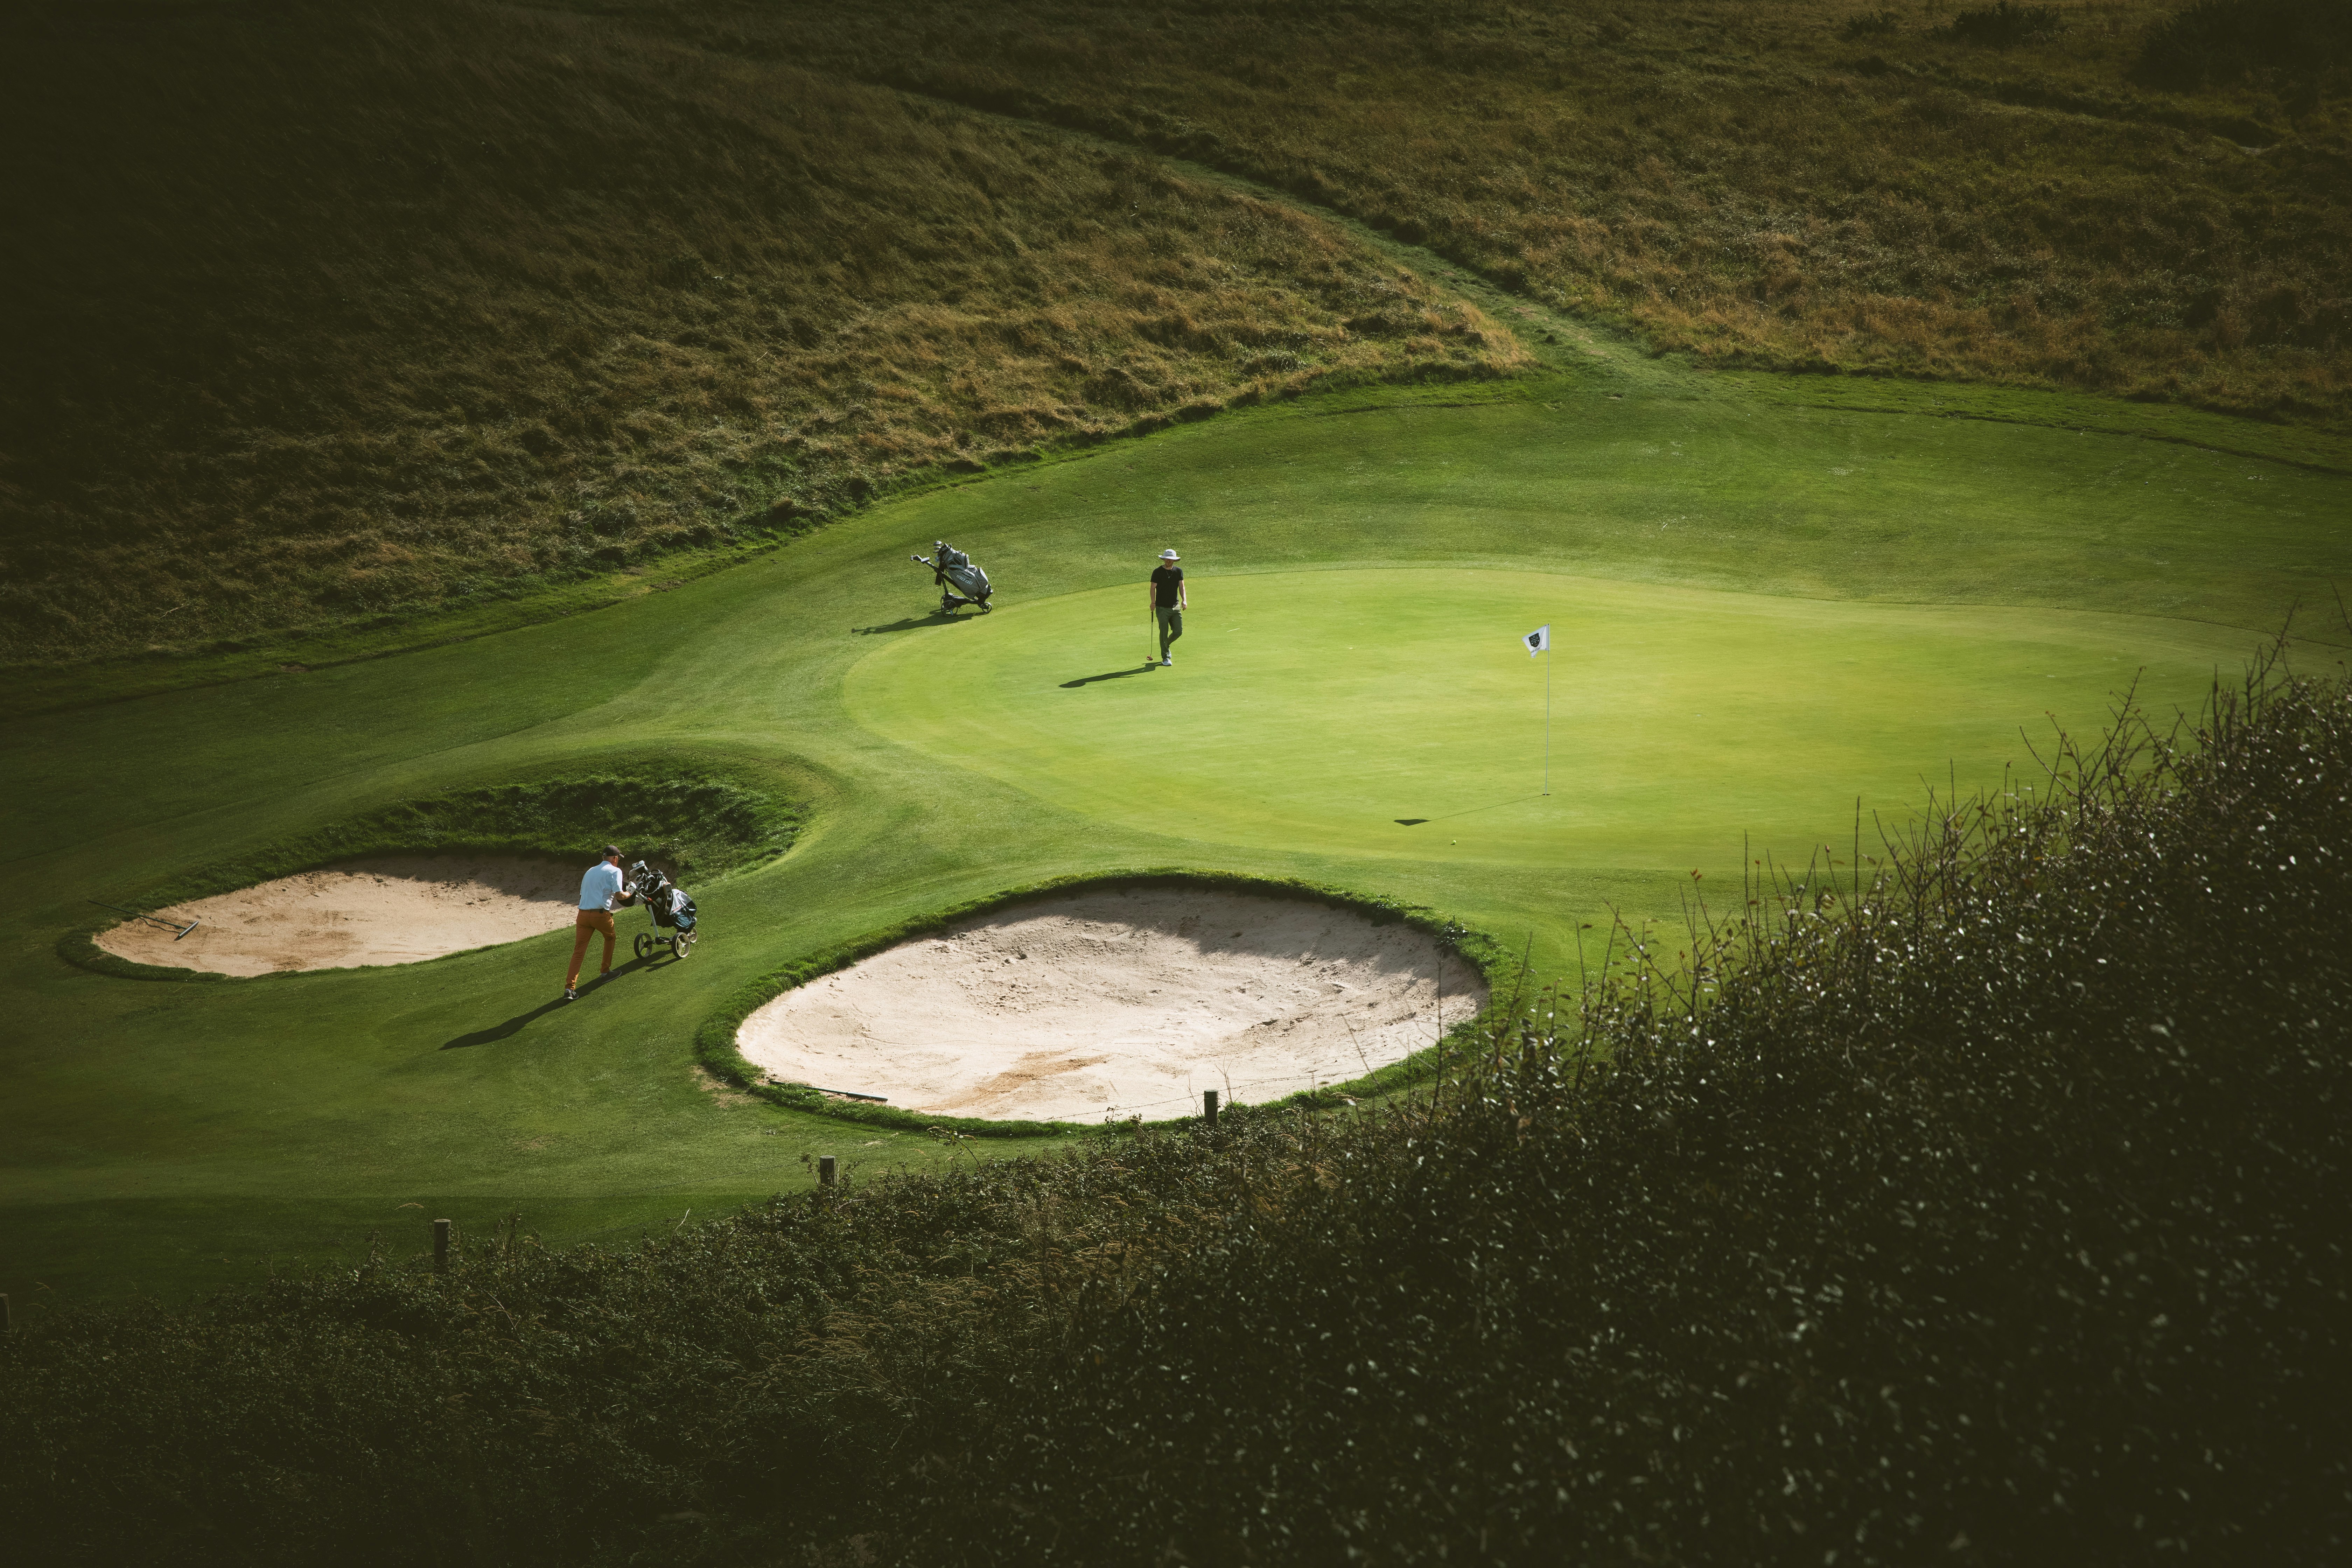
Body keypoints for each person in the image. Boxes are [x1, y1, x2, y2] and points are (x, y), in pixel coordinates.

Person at [565, 845, 636, 1000]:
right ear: (616, 858)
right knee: (610, 938)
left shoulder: (590, 871)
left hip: (582, 916)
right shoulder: (615, 871)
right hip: (600, 916)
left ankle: (569, 989)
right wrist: (631, 891)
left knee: (579, 952)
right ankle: (605, 972)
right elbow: (619, 896)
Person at [1149, 547, 1187, 666]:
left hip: (1175, 607)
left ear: (1174, 560)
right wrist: (1153, 602)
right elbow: (1153, 588)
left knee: (1178, 632)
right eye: (1166, 559)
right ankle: (1165, 657)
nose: (1168, 561)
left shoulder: (1178, 572)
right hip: (1161, 608)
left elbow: (1182, 587)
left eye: (1170, 559)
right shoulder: (1158, 572)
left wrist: (1184, 600)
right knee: (1164, 632)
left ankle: (1166, 645)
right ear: (1164, 559)